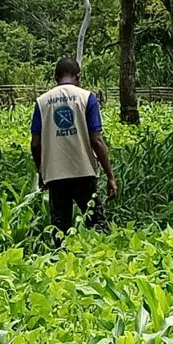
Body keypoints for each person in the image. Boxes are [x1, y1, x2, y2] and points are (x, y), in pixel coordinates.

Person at [30, 56, 116, 241]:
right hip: (84, 171)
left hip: (55, 174)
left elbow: (36, 143)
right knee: (96, 222)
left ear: (55, 77)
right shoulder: (87, 98)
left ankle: (61, 262)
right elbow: (97, 140)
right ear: (78, 76)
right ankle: (103, 260)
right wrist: (110, 176)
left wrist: (41, 171)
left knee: (60, 227)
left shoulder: (42, 102)